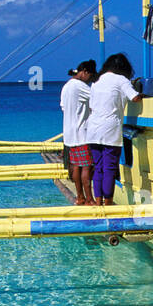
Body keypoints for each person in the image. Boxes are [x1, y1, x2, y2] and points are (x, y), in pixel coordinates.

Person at [86, 53, 147, 205]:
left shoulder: (97, 81)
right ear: (123, 68)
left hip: (93, 129)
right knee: (110, 169)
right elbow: (134, 97)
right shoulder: (121, 80)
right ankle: (108, 203)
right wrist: (145, 94)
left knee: (98, 168)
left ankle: (98, 202)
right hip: (110, 130)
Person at [60, 60, 97, 205]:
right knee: (87, 167)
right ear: (85, 72)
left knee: (76, 166)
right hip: (82, 133)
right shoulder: (80, 86)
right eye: (91, 76)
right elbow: (97, 98)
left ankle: (79, 197)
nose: (90, 80)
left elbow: (63, 107)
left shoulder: (66, 86)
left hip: (69, 135)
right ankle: (89, 199)